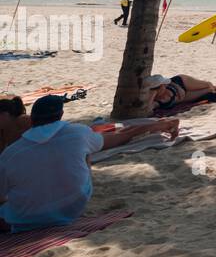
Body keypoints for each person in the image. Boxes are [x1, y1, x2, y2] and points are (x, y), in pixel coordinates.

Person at [0, 95, 179, 232]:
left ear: (30, 119)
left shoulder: (11, 151)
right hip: (73, 206)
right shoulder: (78, 133)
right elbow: (119, 138)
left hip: (24, 218)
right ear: (61, 115)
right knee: (87, 149)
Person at [144, 74, 216, 112]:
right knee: (208, 89)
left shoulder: (166, 85)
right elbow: (148, 109)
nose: (166, 85)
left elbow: (170, 81)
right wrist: (153, 94)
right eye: (164, 85)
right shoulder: (155, 100)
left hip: (181, 82)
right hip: (184, 97)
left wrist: (177, 87)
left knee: (208, 84)